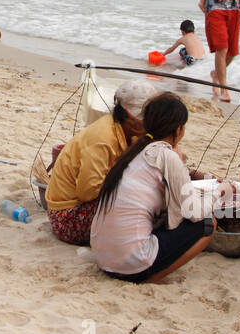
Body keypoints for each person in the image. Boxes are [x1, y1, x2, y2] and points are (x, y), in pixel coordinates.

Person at [89, 94, 216, 283]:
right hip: (130, 265)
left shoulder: (134, 152)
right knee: (208, 223)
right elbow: (193, 212)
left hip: (103, 258)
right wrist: (217, 195)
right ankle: (153, 277)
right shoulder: (166, 155)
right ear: (178, 129)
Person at [45, 79, 162, 244]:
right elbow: (87, 192)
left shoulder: (128, 133)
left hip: (84, 207)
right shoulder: (103, 139)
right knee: (138, 209)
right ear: (129, 115)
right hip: (68, 216)